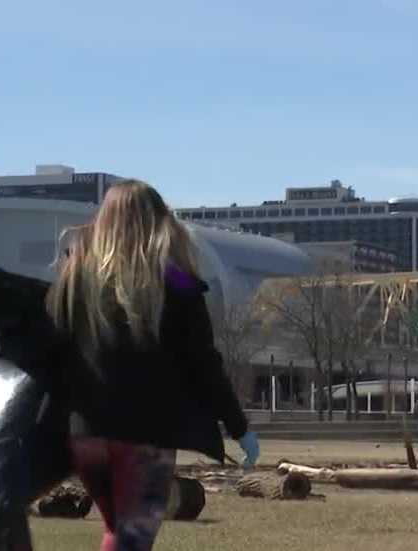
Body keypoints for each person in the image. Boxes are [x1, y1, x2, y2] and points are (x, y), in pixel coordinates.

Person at [45, 180, 259, 551]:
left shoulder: (75, 277)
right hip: (146, 433)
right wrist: (238, 426)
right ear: (160, 220)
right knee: (131, 537)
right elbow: (203, 362)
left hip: (86, 433)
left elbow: (52, 350)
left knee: (118, 530)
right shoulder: (175, 279)